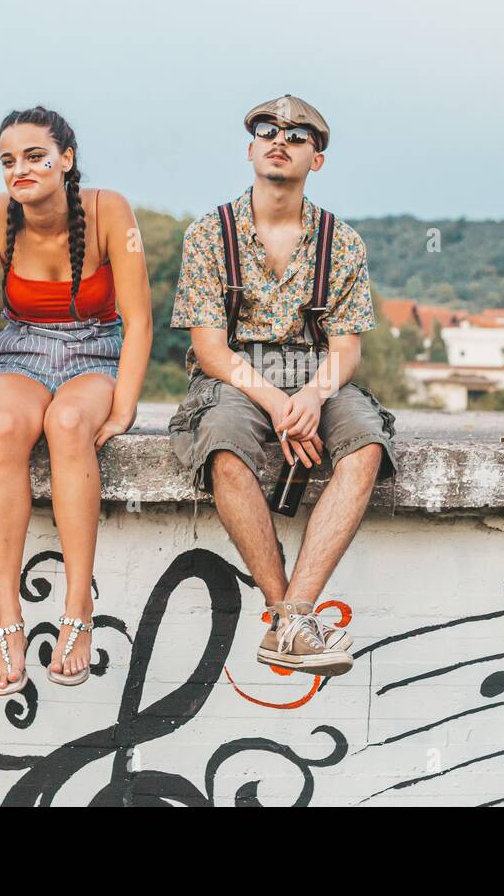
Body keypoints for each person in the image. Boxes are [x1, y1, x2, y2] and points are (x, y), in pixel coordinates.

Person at [168, 94, 396, 676]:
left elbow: (347, 349)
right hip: (237, 373)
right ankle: (287, 620)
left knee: (366, 443)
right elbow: (208, 349)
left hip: (315, 372)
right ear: (250, 150)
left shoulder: (341, 243)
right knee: (221, 441)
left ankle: (295, 613)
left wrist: (312, 397)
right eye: (268, 131)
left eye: (297, 137)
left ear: (315, 160)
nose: (280, 140)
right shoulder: (209, 235)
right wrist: (276, 403)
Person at [0, 106, 151, 696]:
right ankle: (6, 618)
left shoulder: (111, 211)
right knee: (4, 423)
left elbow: (139, 321)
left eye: (35, 156)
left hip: (96, 353)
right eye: (8, 160)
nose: (20, 170)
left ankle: (78, 604)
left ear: (67, 158)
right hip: (21, 352)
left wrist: (124, 404)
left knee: (66, 423)